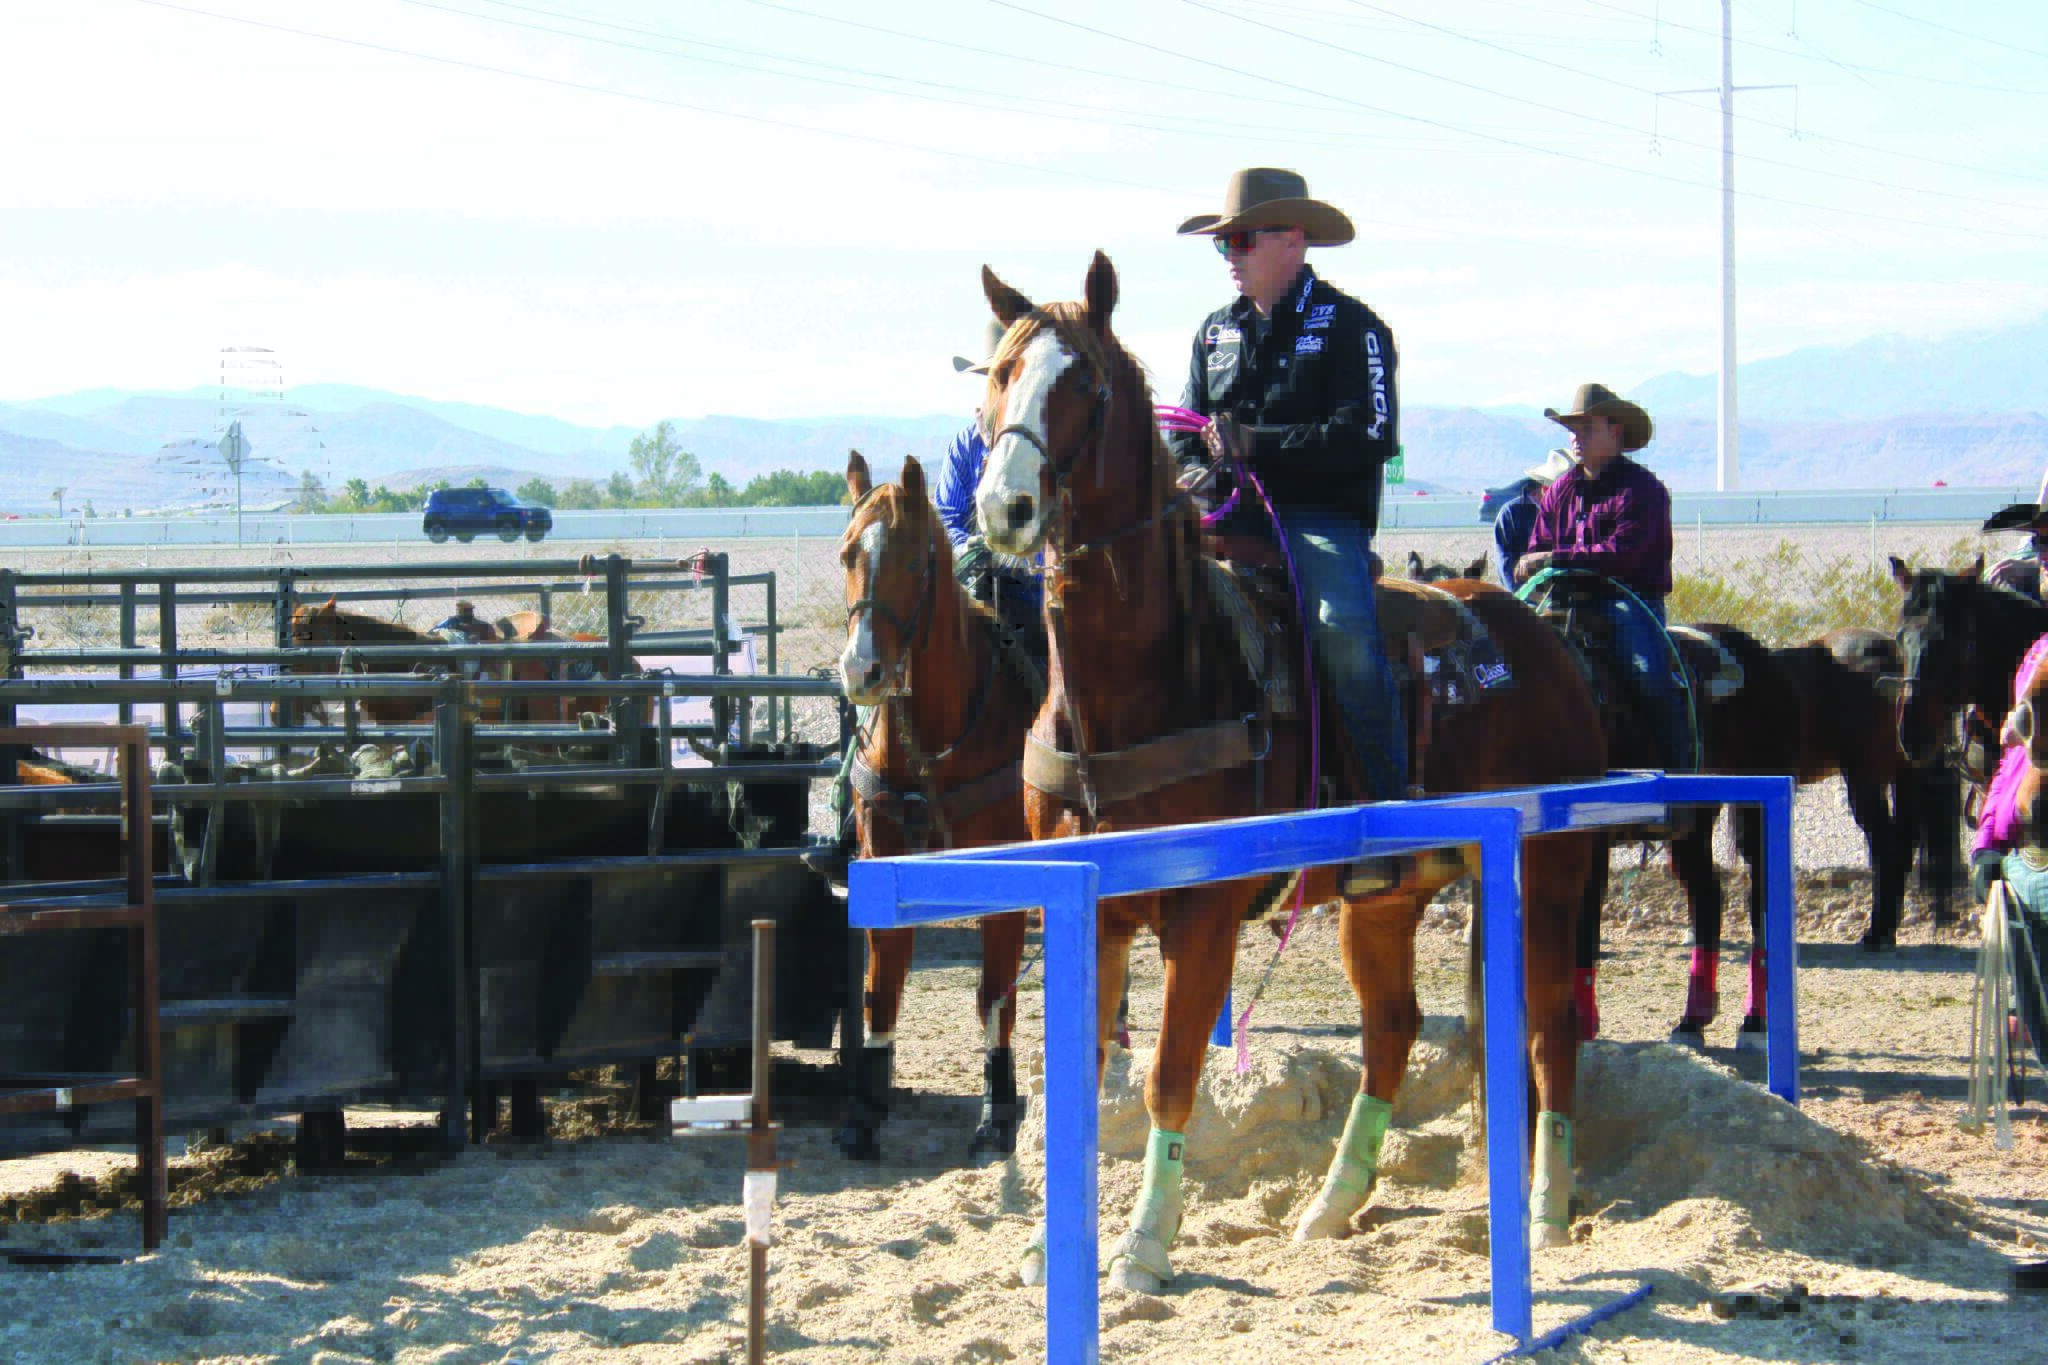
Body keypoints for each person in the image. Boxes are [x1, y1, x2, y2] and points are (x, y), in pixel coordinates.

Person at [1166, 167, 1406, 824]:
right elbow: (1189, 428)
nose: (1230, 257)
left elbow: (1369, 434)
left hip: (1319, 518)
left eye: (1241, 240)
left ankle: (1392, 809)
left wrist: (1257, 444)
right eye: (1225, 244)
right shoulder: (1214, 333)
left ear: (1293, 240)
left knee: (1344, 632)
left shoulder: (1353, 328)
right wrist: (1193, 469)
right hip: (1223, 516)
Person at [1515, 383, 1689, 773]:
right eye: (1573, 429)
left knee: (1648, 673)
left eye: (1587, 428)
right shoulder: (1560, 490)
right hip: (1564, 600)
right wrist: (1531, 563)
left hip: (1626, 599)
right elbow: (1538, 544)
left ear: (1616, 433)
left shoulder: (1643, 491)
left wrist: (1552, 557)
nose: (1576, 438)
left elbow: (1623, 557)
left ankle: (1677, 779)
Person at [1493, 448, 1574, 589]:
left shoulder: (1579, 511)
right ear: (1547, 489)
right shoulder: (1512, 513)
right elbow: (1508, 570)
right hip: (1528, 598)